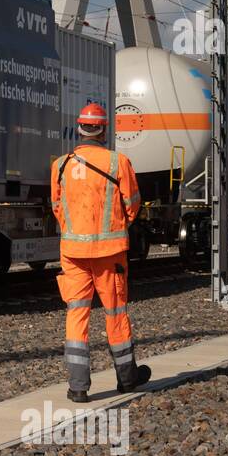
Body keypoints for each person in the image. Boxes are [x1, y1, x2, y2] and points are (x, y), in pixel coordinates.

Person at [50, 102, 151, 403]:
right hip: (110, 253)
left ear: (79, 128)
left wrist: (76, 230)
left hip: (73, 252)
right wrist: (117, 225)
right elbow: (132, 204)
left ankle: (78, 387)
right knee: (115, 312)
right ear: (104, 130)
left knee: (76, 313)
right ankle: (127, 379)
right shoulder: (118, 162)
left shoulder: (61, 166)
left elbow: (56, 207)